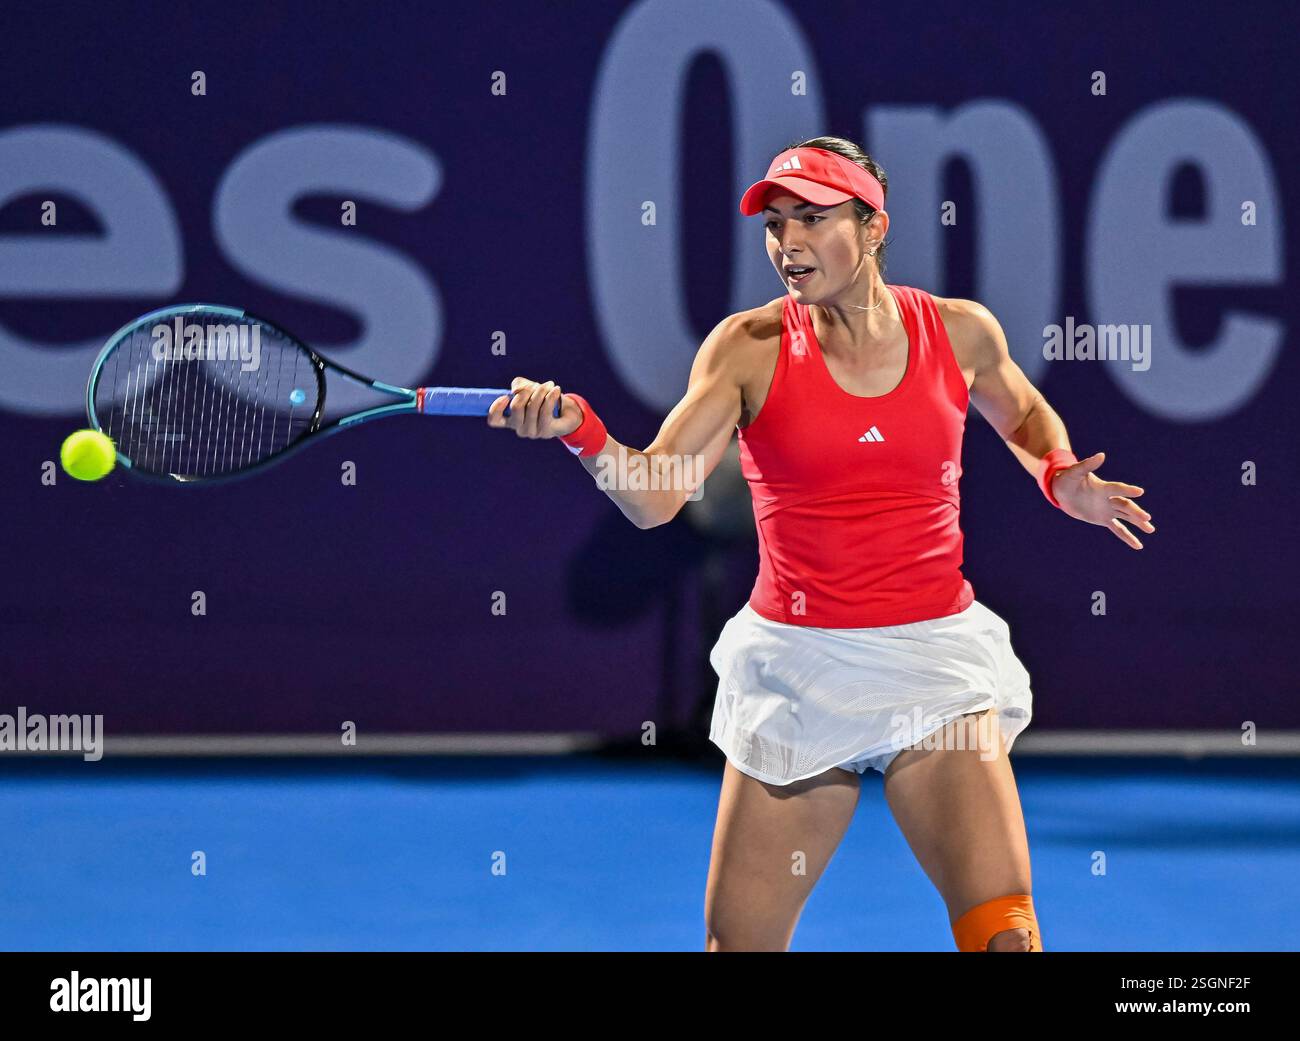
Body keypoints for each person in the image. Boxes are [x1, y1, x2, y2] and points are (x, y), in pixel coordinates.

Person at [487, 135, 1156, 952]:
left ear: (874, 227)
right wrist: (584, 434)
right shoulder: (748, 348)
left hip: (933, 667)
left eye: (812, 218)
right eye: (775, 224)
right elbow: (657, 496)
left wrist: (1060, 475)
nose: (788, 243)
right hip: (799, 672)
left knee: (1005, 934)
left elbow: (1020, 410)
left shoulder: (959, 332)